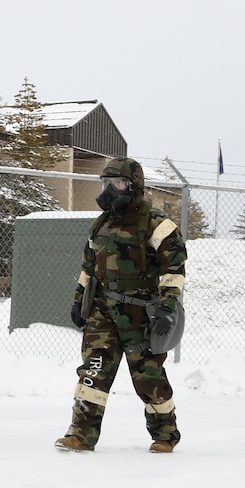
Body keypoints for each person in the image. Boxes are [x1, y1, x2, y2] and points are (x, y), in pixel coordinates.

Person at [56, 157, 186, 453]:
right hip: (103, 310)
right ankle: (80, 434)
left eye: (116, 184)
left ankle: (165, 435)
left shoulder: (157, 224)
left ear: (133, 186)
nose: (108, 190)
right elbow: (88, 268)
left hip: (141, 313)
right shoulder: (100, 225)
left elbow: (174, 269)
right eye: (105, 183)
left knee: (148, 377)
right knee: (93, 371)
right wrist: (79, 302)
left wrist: (166, 307)